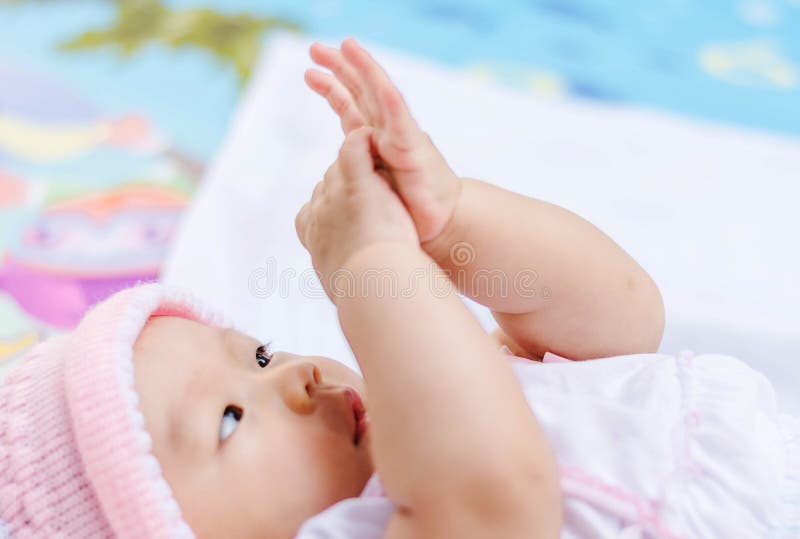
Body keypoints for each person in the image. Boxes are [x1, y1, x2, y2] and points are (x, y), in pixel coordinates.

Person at [0, 39, 795, 539]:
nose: (293, 377)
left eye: (258, 352)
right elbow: (499, 498)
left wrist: (446, 218)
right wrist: (371, 268)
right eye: (230, 419)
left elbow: (625, 320)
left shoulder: (420, 415)